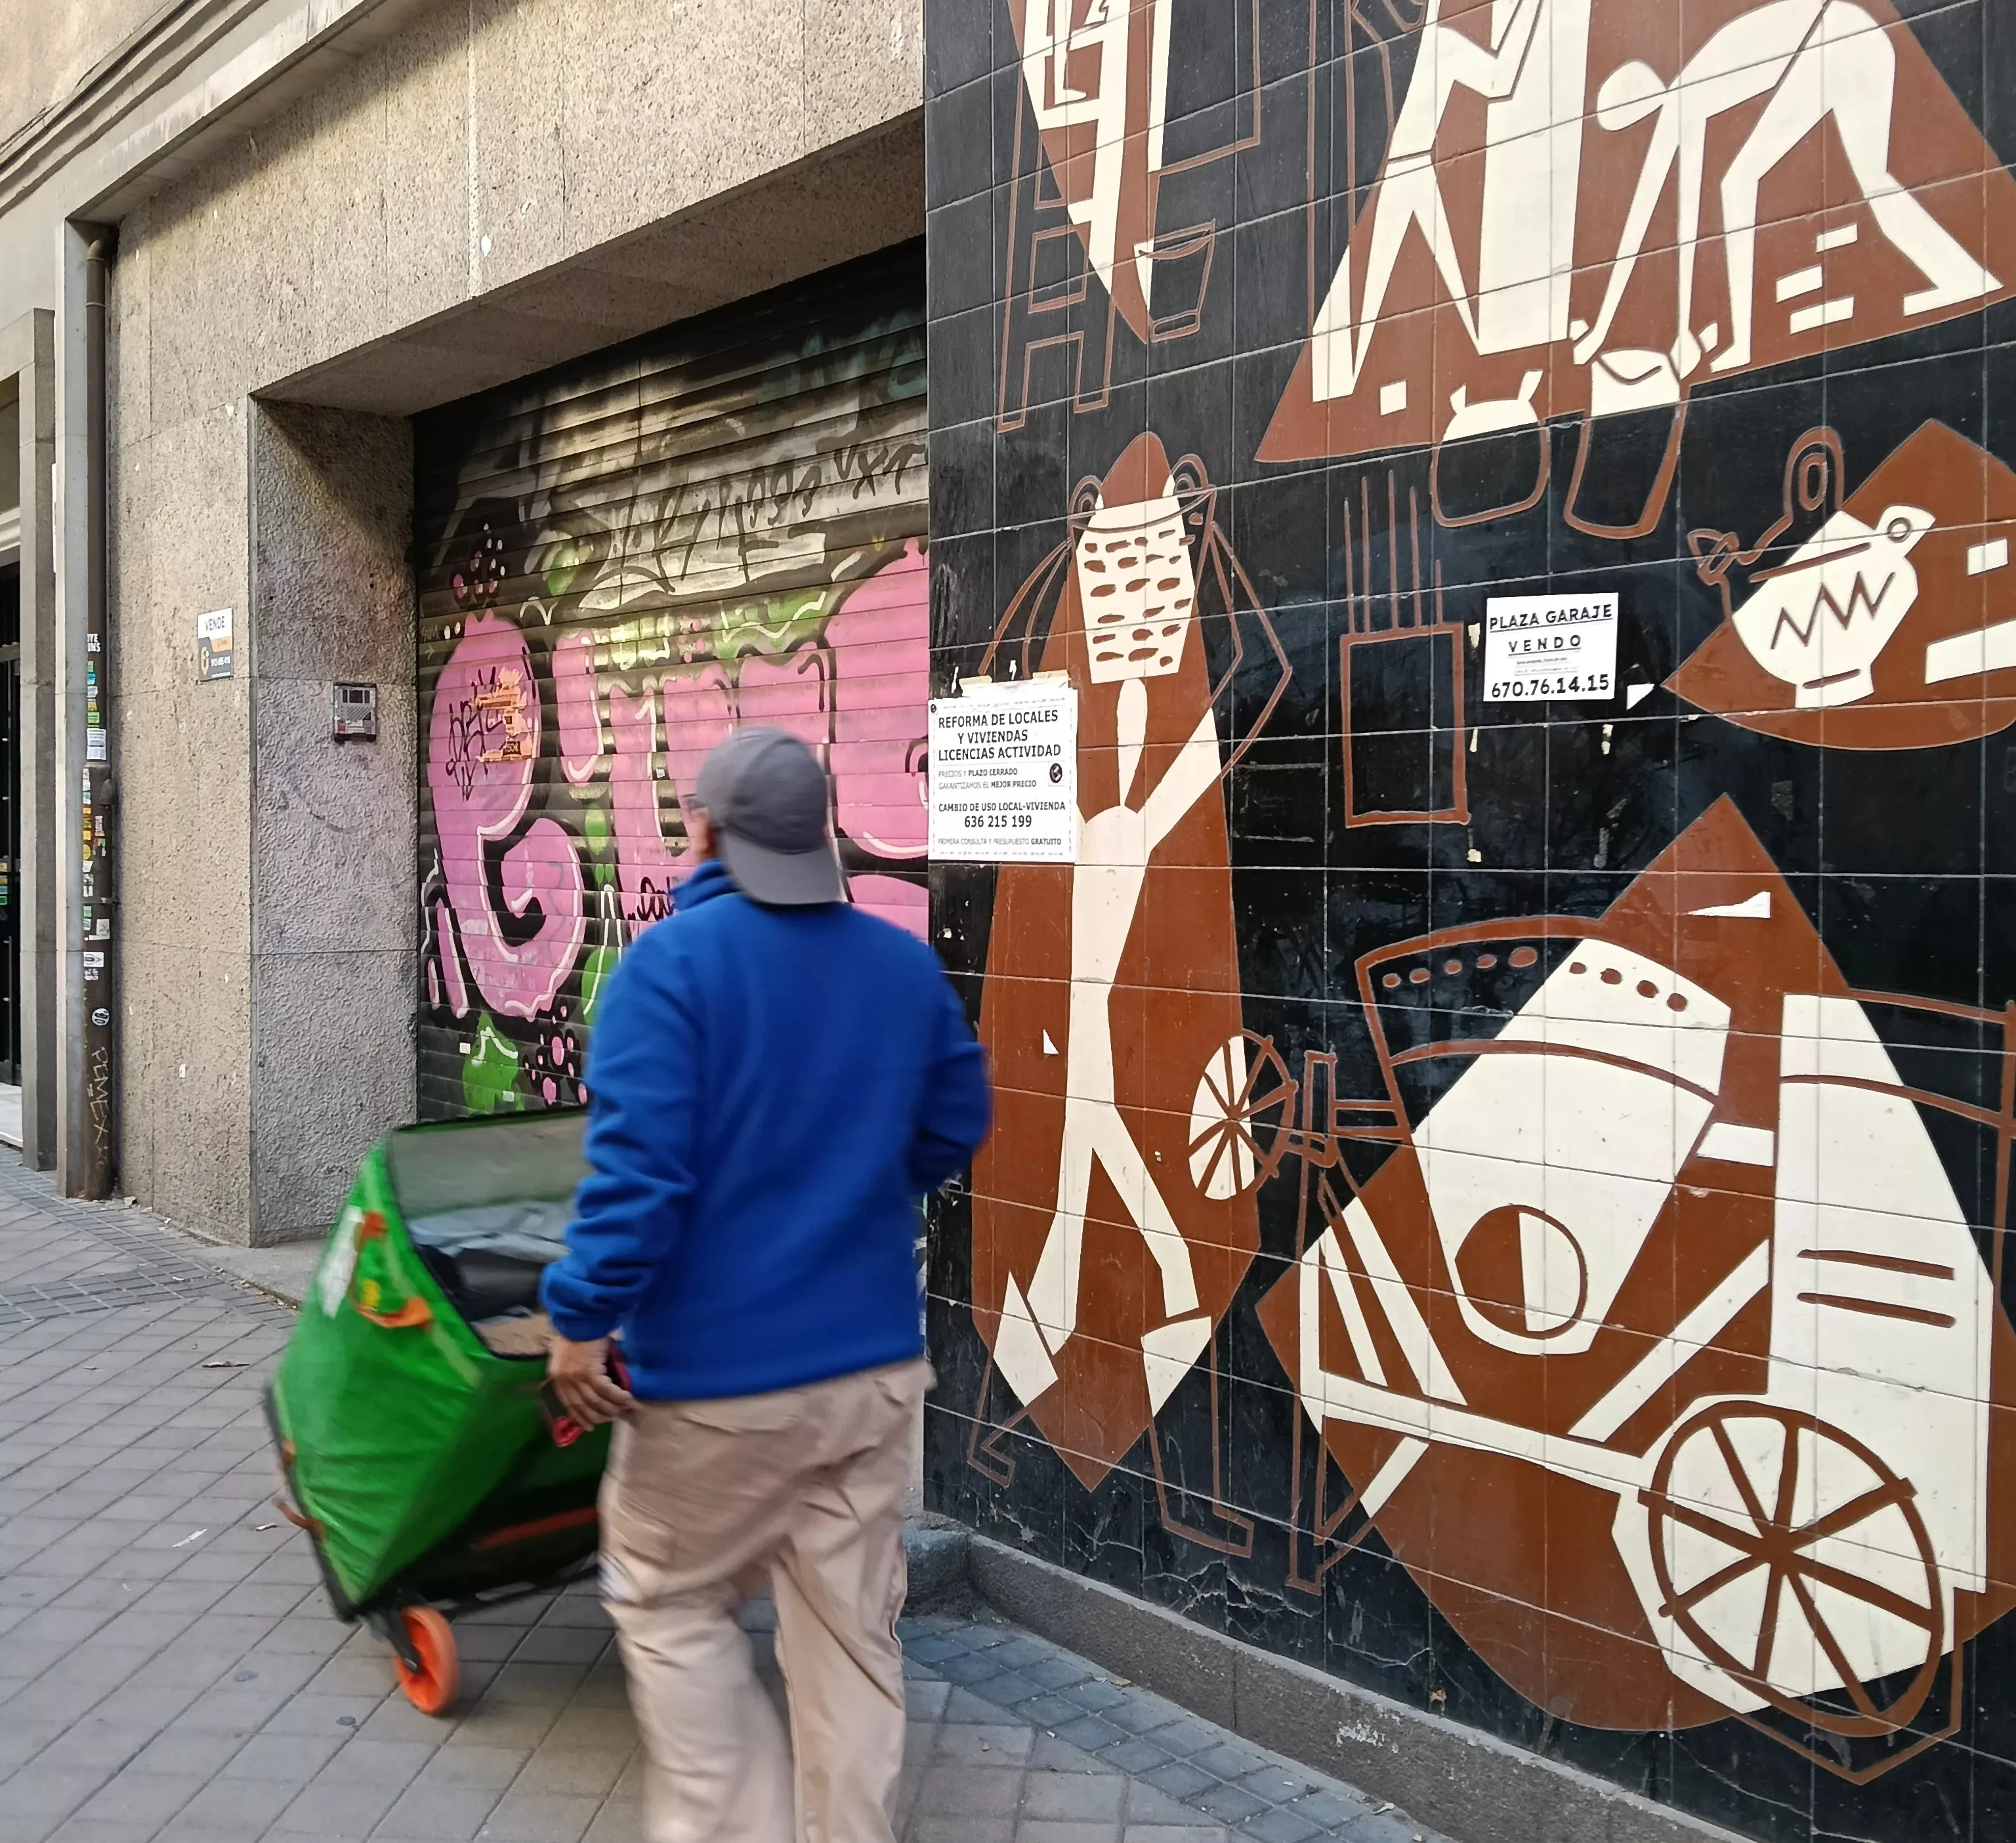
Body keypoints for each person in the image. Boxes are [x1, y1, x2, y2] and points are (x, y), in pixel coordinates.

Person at [540, 724, 992, 1843]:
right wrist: (852, 1191)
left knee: (666, 1600)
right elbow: (956, 1125)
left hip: (719, 1389)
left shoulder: (669, 972)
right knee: (849, 1637)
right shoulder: (898, 963)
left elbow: (637, 1182)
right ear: (823, 835)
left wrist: (580, 1321)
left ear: (704, 831)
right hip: (873, 1375)